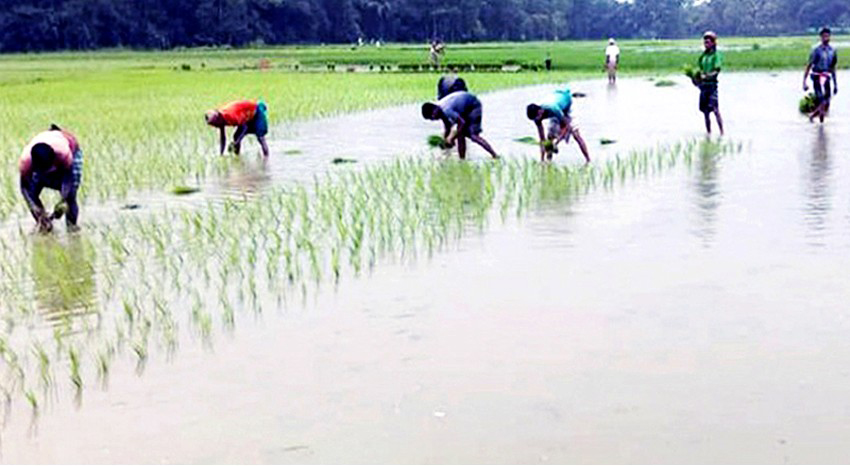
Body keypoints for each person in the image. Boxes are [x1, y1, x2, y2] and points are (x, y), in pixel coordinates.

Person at [19, 124, 84, 232]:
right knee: (32, 193)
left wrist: (63, 200)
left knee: (70, 196)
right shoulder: (26, 162)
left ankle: (72, 228)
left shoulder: (63, 153)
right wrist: (34, 206)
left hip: (71, 146)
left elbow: (68, 179)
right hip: (46, 147)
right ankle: (44, 225)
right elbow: (24, 188)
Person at [421, 91, 498, 160]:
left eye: (432, 116)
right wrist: (445, 140)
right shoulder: (440, 111)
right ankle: (462, 160)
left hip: (473, 106)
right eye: (431, 119)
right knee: (460, 135)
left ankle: (494, 155)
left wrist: (451, 138)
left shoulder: (446, 110)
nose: (434, 119)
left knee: (473, 136)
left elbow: (462, 122)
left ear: (435, 109)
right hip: (463, 108)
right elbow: (447, 126)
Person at [525, 86, 590, 163]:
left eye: (537, 118)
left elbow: (566, 126)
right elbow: (542, 140)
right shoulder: (536, 118)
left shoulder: (553, 108)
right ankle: (548, 162)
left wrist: (557, 142)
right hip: (557, 109)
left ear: (540, 111)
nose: (537, 120)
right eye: (535, 120)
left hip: (567, 106)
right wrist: (542, 160)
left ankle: (588, 160)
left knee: (576, 135)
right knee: (550, 137)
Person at [205, 99, 269, 157]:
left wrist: (236, 143)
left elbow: (245, 128)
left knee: (260, 137)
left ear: (217, 119)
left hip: (256, 112)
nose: (215, 126)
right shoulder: (220, 120)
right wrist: (221, 154)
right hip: (245, 116)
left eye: (214, 123)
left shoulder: (230, 116)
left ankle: (266, 158)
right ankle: (237, 156)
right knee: (236, 136)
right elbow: (223, 138)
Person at [803, 27, 838, 123]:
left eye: (828, 36)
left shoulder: (832, 50)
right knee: (822, 101)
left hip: (826, 77)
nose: (826, 38)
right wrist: (804, 82)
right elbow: (809, 65)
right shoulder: (816, 50)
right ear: (821, 37)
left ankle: (815, 118)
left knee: (827, 103)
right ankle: (819, 122)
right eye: (824, 36)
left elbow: (833, 67)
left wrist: (835, 84)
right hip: (817, 77)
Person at [696, 31, 724, 136]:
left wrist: (707, 76)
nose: (706, 44)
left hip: (712, 85)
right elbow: (700, 70)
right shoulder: (703, 56)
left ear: (713, 43)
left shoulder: (716, 55)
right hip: (703, 86)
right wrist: (696, 79)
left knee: (715, 110)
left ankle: (722, 133)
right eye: (705, 42)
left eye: (708, 42)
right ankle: (709, 133)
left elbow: (716, 71)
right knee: (705, 112)